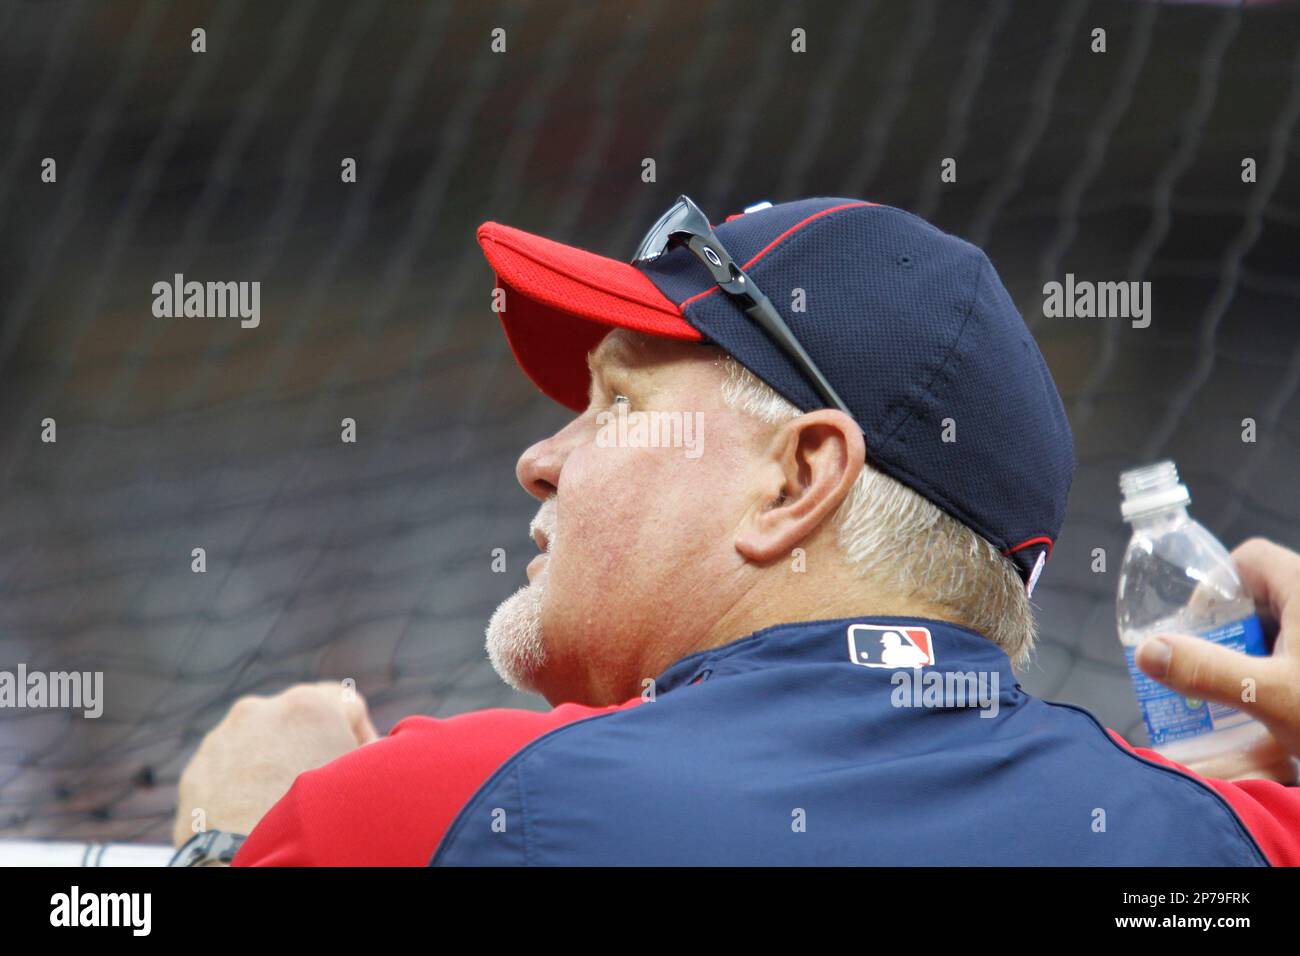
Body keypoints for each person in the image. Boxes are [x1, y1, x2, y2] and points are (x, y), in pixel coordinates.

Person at [174, 196, 1300, 866]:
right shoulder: (1229, 842)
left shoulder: (431, 808)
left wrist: (229, 838)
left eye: (617, 405)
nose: (541, 457)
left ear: (799, 478)